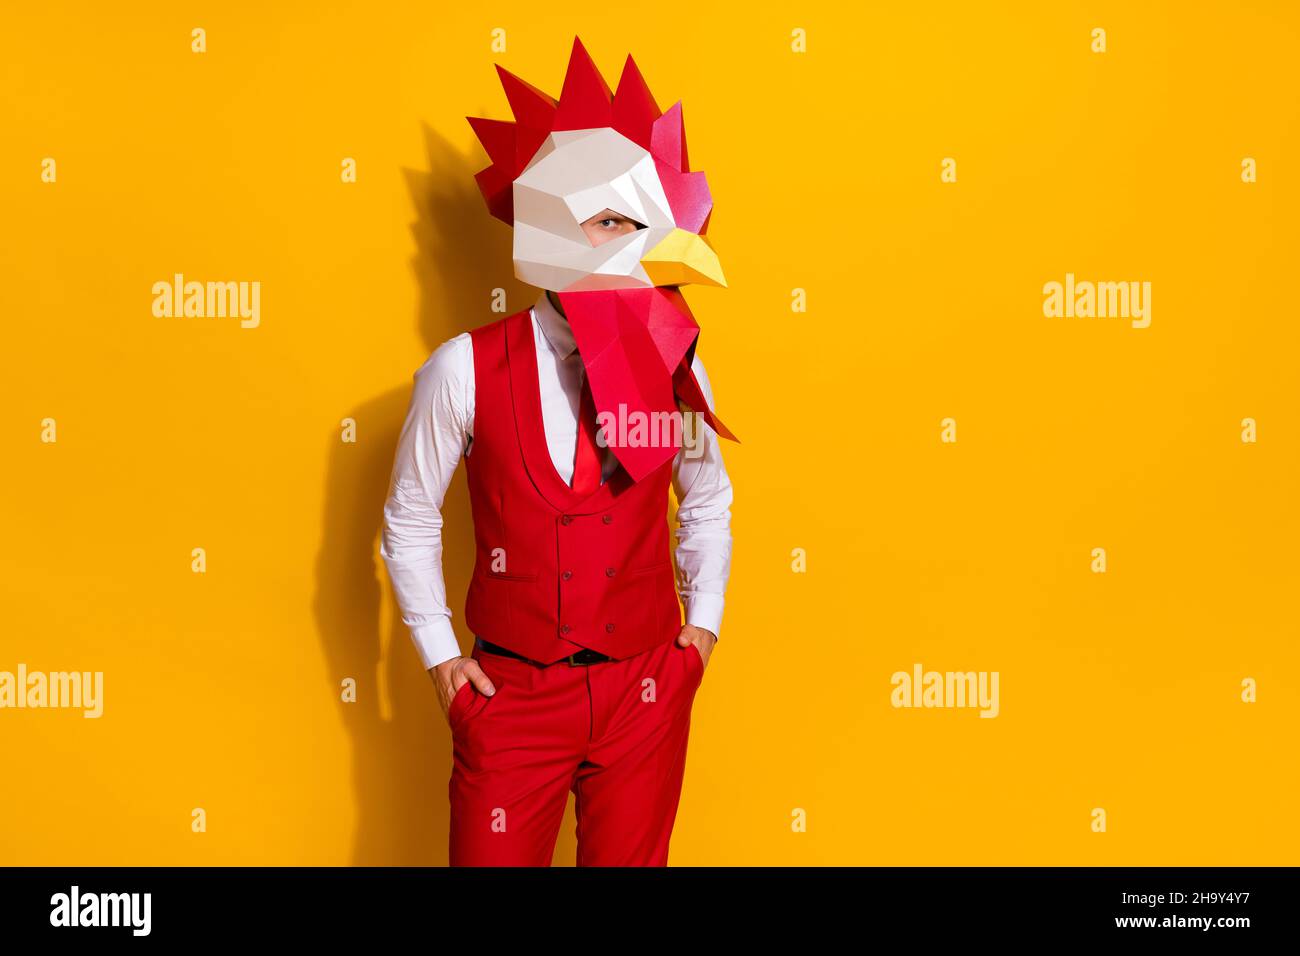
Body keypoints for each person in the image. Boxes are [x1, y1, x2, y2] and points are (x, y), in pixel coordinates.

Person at [380, 36, 734, 866]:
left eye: (638, 220)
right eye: (609, 219)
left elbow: (707, 498)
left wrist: (701, 633)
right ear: (548, 226)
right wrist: (440, 662)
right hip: (513, 698)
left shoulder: (677, 361)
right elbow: (408, 518)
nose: (632, 242)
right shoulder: (462, 370)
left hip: (645, 690)